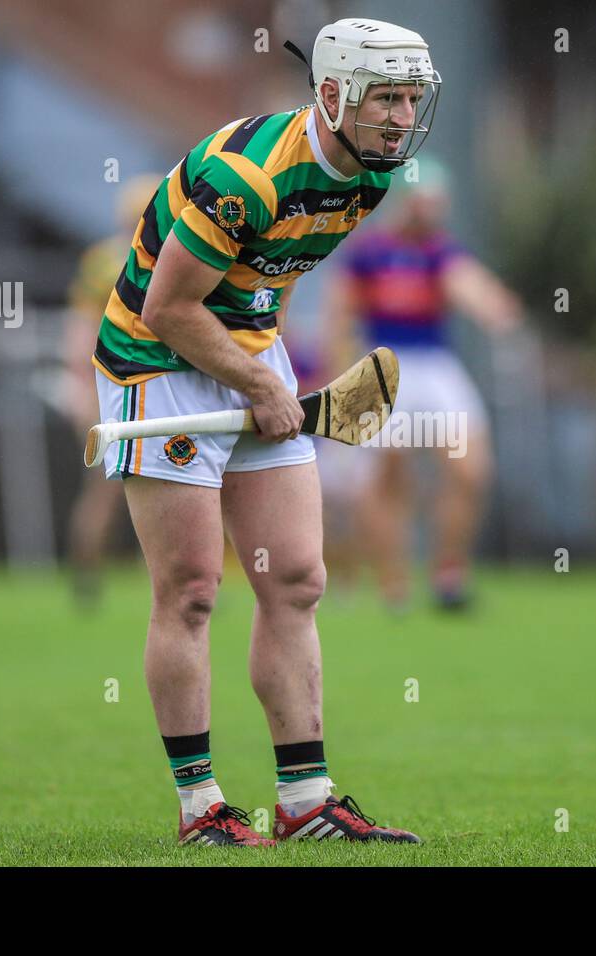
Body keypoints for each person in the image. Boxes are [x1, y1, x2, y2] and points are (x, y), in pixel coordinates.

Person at [89, 19, 439, 847]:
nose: (399, 117)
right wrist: (256, 382)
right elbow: (165, 308)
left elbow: (270, 276)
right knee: (193, 589)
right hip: (154, 362)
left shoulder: (370, 178)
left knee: (297, 578)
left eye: (410, 99)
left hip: (248, 355)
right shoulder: (247, 177)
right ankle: (200, 806)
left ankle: (305, 800)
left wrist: (271, 370)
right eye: (384, 97)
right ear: (331, 94)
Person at [324, 156, 522, 611]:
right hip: (384, 365)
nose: (432, 212)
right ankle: (394, 583)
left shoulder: (440, 252)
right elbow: (339, 316)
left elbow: (468, 285)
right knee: (388, 478)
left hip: (435, 365)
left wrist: (494, 307)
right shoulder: (369, 253)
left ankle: (448, 572)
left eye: (438, 204)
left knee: (471, 469)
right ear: (407, 202)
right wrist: (338, 372)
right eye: (425, 202)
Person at [64, 175, 161, 607]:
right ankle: (164, 579)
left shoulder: (103, 258)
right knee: (157, 485)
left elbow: (79, 329)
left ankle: (87, 577)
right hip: (129, 386)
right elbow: (83, 330)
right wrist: (84, 389)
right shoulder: (134, 260)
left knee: (110, 489)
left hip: (114, 386)